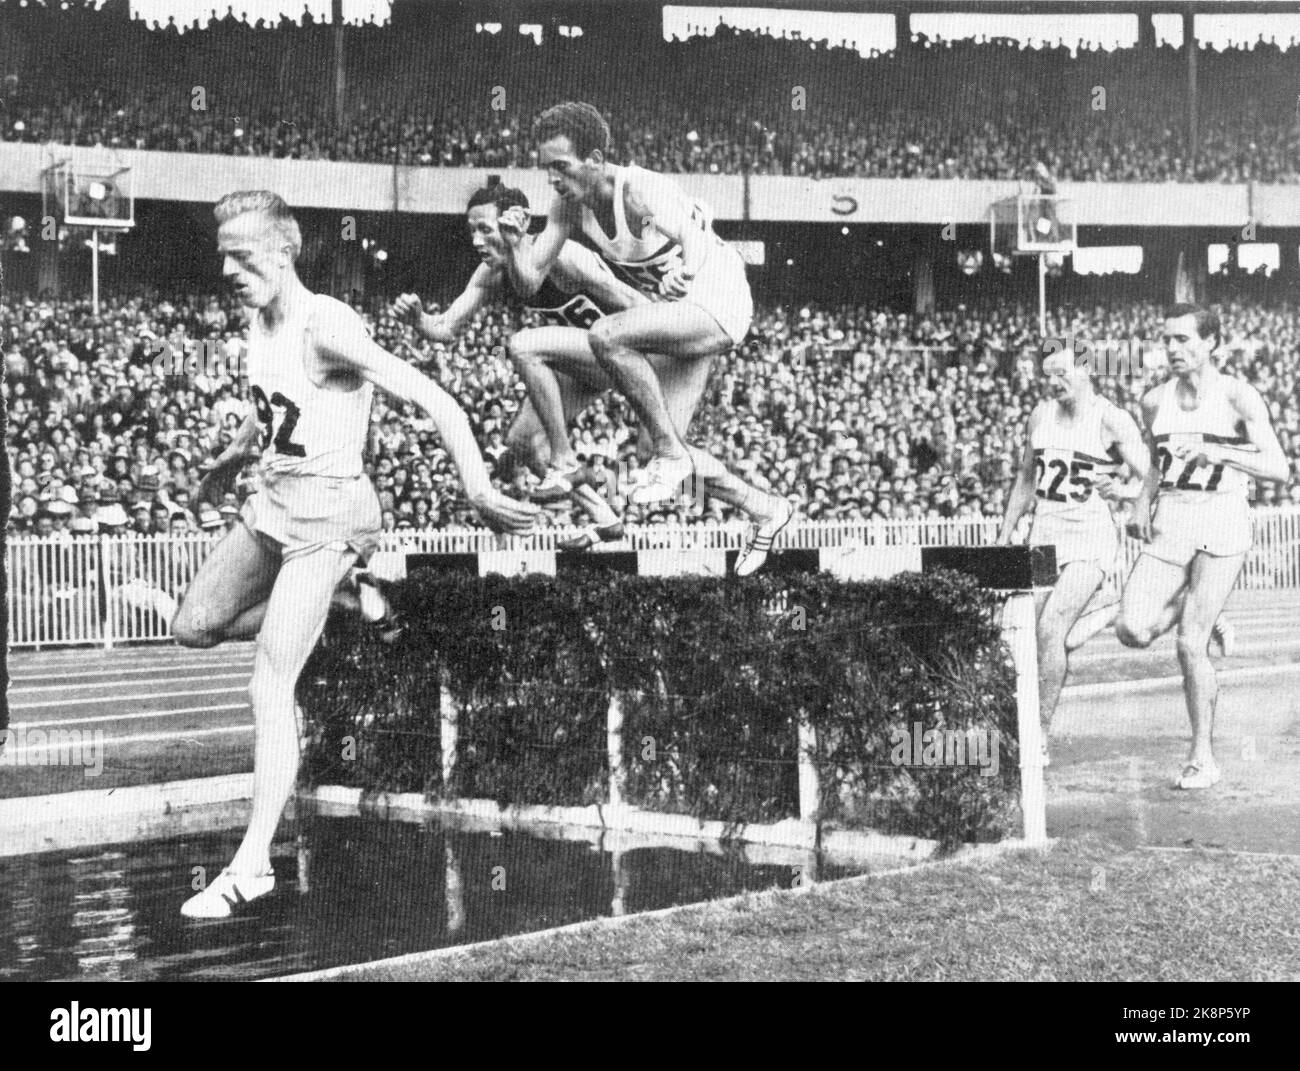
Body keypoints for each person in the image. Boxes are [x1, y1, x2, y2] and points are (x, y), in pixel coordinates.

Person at [173, 190, 538, 919]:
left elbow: (434, 397)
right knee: (194, 623)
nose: (228, 270)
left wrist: (479, 488)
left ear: (283, 252)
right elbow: (270, 402)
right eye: (222, 257)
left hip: (332, 516)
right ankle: (345, 602)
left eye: (242, 257)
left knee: (268, 685)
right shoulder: (257, 317)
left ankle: (252, 866)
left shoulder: (328, 323)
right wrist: (228, 458)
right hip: (274, 502)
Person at [499, 101, 793, 575]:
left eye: (561, 166)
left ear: (595, 159)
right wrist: (515, 246)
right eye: (545, 169)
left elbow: (696, 237)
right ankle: (766, 509)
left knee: (607, 335)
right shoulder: (567, 206)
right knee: (630, 446)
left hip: (716, 299)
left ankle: (670, 455)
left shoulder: (639, 189)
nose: (552, 179)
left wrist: (685, 272)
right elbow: (529, 282)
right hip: (672, 316)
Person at [392, 183, 643, 551]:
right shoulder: (491, 273)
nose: (476, 241)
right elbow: (446, 328)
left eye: (485, 229)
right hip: (578, 362)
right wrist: (418, 320)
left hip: (616, 350)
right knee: (521, 443)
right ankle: (605, 518)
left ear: (515, 226)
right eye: (471, 231)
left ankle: (564, 459)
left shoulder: (563, 257)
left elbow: (635, 303)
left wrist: (659, 357)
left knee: (522, 346)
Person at [1114, 305, 1288, 789]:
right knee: (1131, 627)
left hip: (1223, 516)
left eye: (1184, 339)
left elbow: (1278, 468)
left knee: (1190, 643)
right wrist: (1140, 504)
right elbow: (1154, 459)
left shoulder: (1237, 395)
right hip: (1173, 517)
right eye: (1167, 339)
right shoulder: (1154, 400)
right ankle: (1207, 608)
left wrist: (1221, 452)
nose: (1173, 349)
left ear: (1211, 342)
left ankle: (1201, 757)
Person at [997, 344, 1148, 759]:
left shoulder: (1111, 418)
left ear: (1086, 371)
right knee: (1028, 635)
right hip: (1045, 535)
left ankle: (1038, 735)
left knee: (1050, 631)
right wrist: (1006, 532)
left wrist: (1124, 491)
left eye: (1062, 373)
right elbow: (1026, 477)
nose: (1055, 382)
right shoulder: (1041, 415)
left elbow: (1150, 474)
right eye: (1049, 375)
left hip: (1090, 537)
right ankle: (1104, 609)